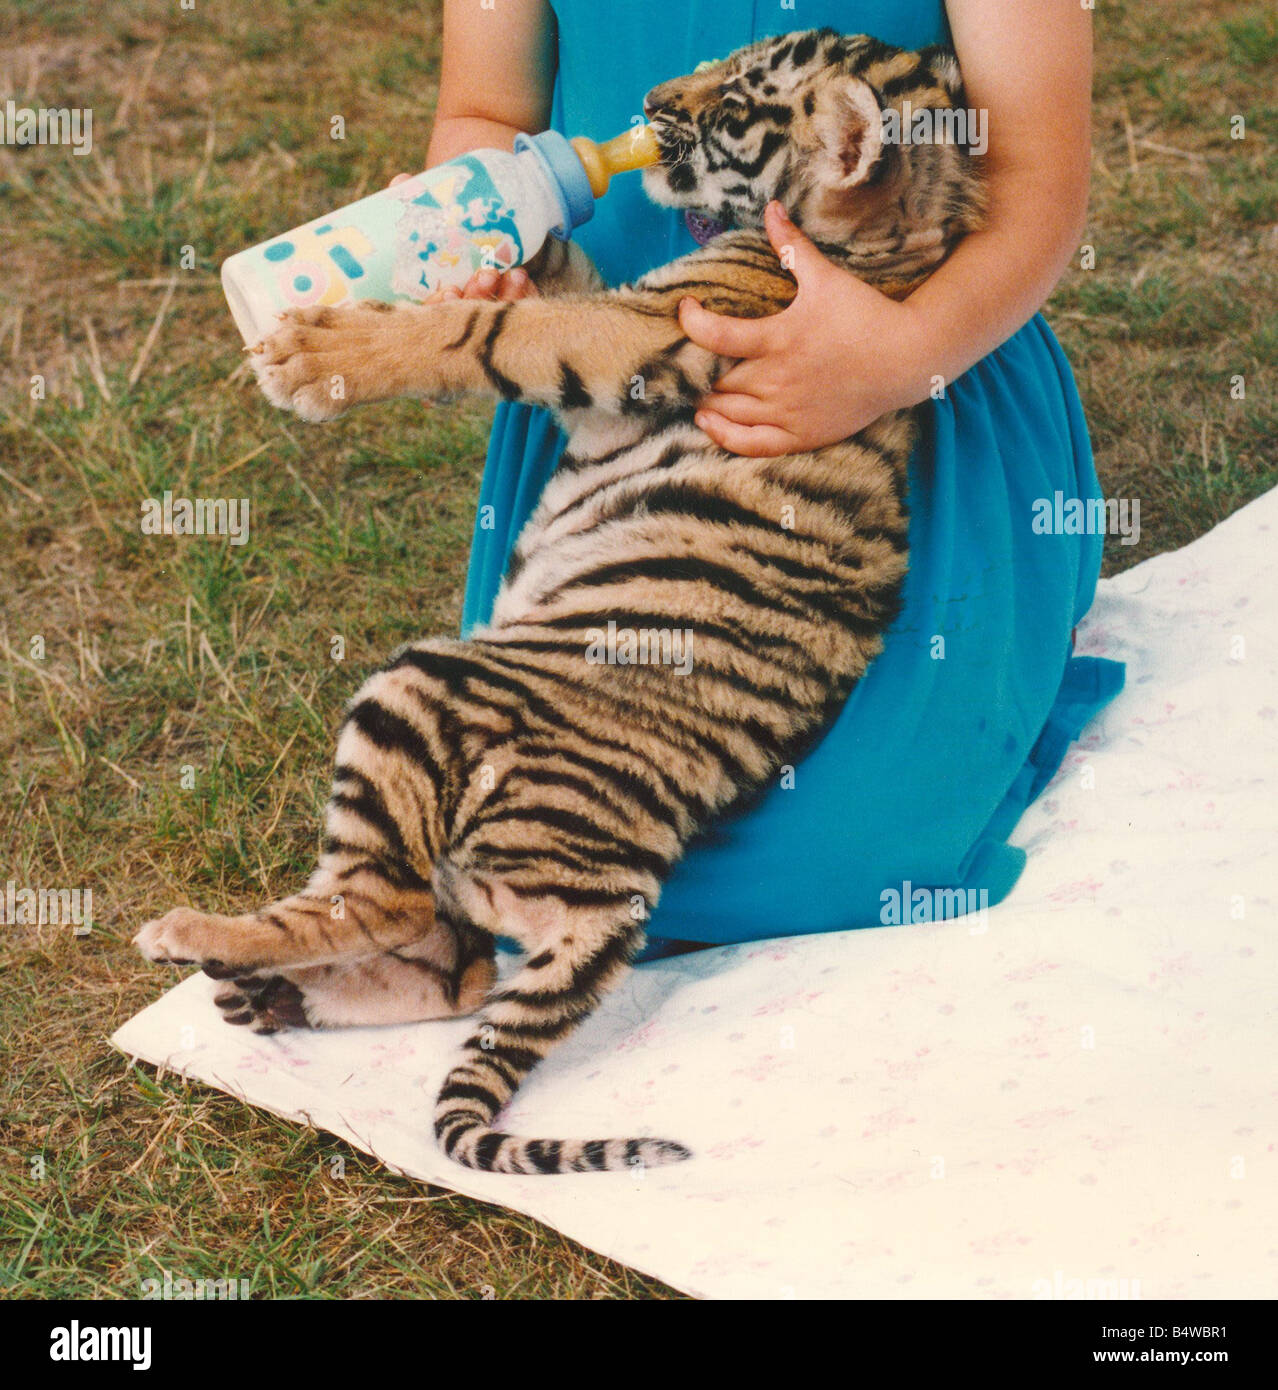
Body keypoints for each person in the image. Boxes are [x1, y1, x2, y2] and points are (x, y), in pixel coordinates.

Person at [392, 0, 1125, 957]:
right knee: (515, 822)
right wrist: (483, 232)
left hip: (897, 389)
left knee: (827, 854)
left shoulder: (900, 356)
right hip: (609, 389)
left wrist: (901, 357)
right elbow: (486, 110)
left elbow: (1035, 178)